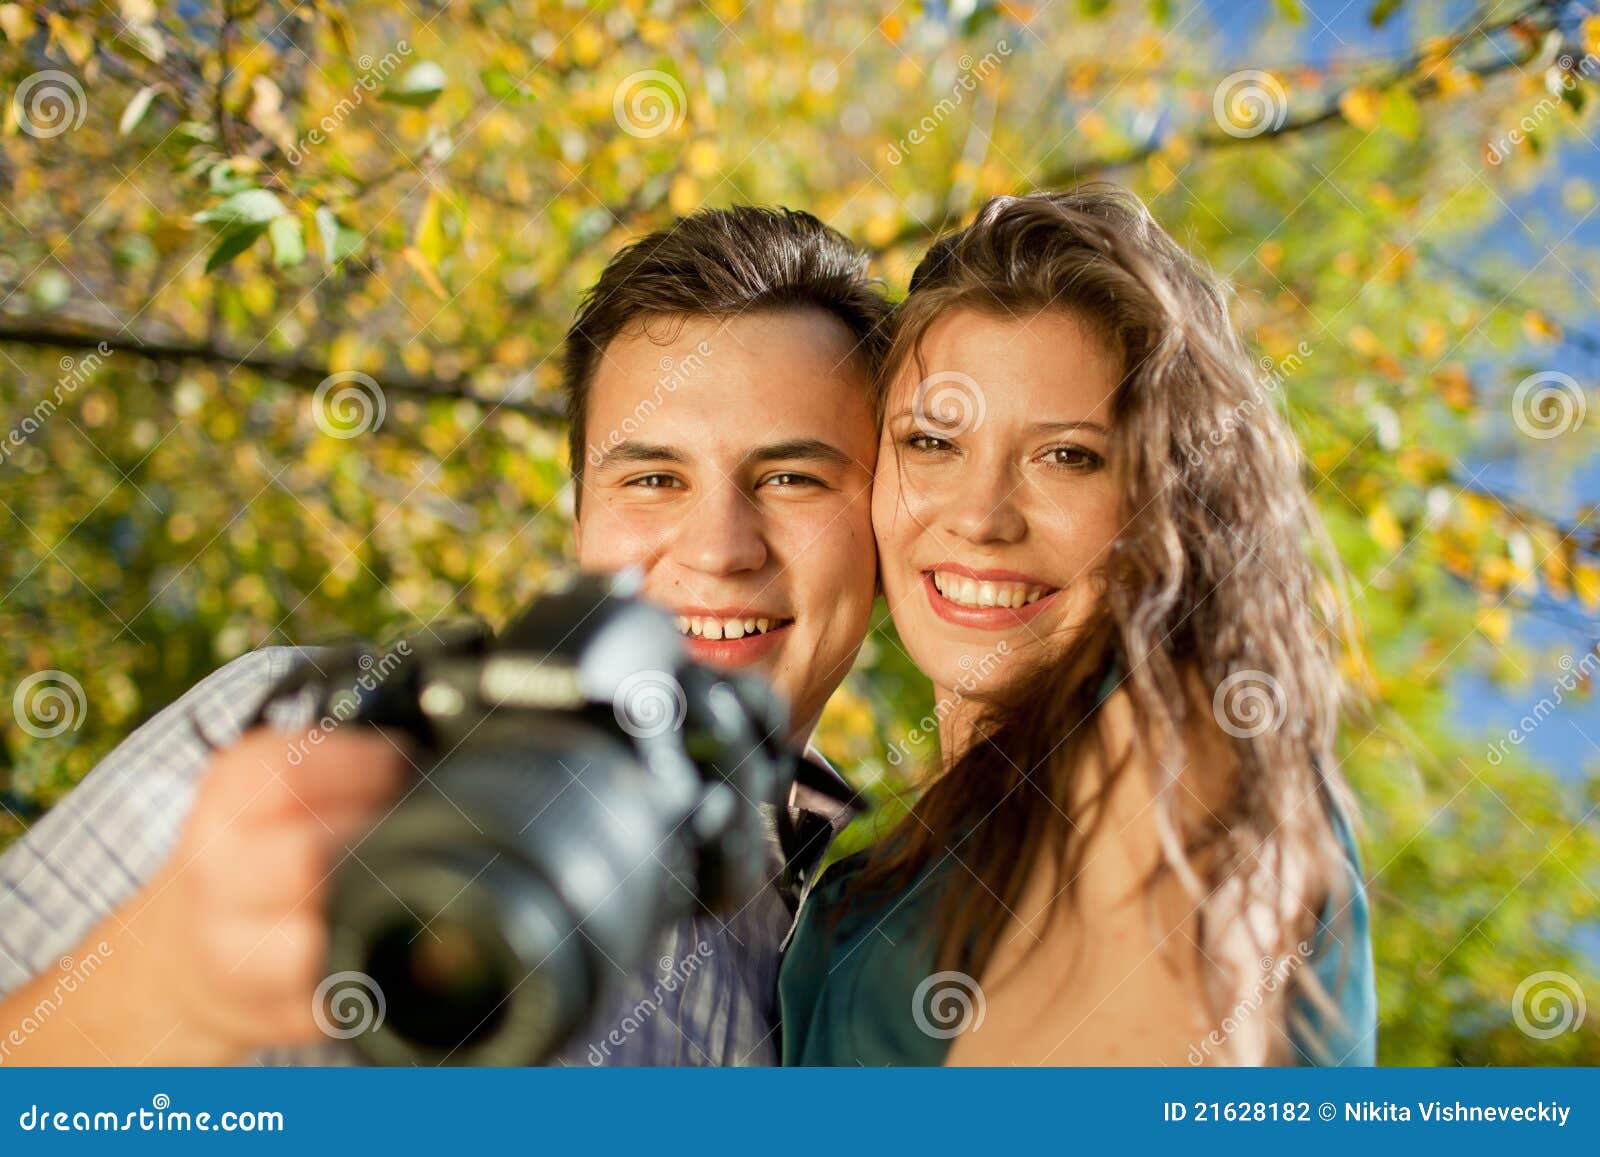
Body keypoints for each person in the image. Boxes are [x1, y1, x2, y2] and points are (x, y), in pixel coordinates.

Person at [0, 205, 887, 1066]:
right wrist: (162, 986)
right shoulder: (300, 743)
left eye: (793, 478)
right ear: (582, 519)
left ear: (888, 516)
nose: (719, 548)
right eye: (654, 478)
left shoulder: (851, 926)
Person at [780, 184, 1378, 1066]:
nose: (981, 517)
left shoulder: (1185, 738)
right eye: (931, 443)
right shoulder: (866, 880)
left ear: (1166, 500)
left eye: (1069, 456)